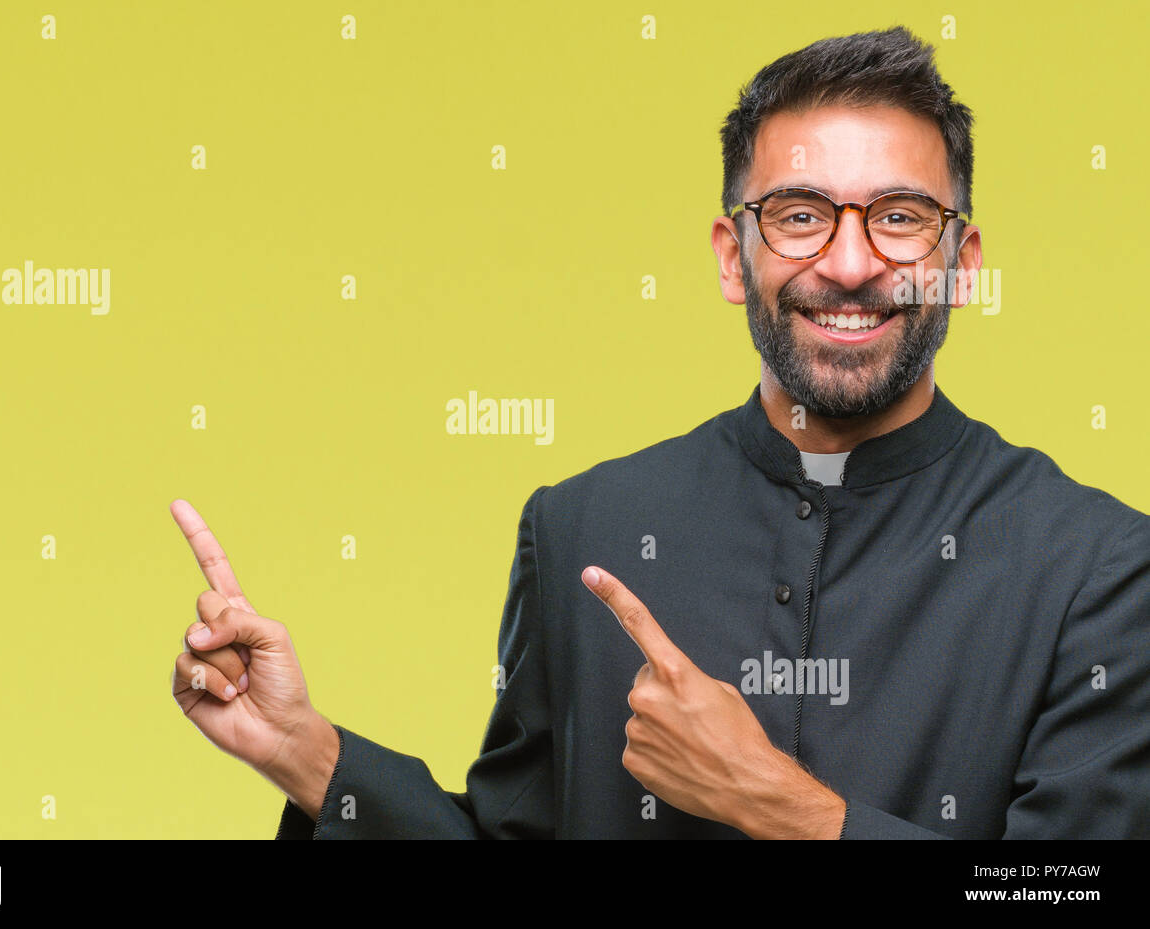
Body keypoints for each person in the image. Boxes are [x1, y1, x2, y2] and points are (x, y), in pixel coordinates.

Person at [169, 26, 1150, 839]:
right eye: (799, 214)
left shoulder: (1102, 569)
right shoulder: (582, 528)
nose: (851, 263)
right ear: (734, 256)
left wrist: (778, 803)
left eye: (899, 216)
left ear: (961, 263)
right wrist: (304, 750)